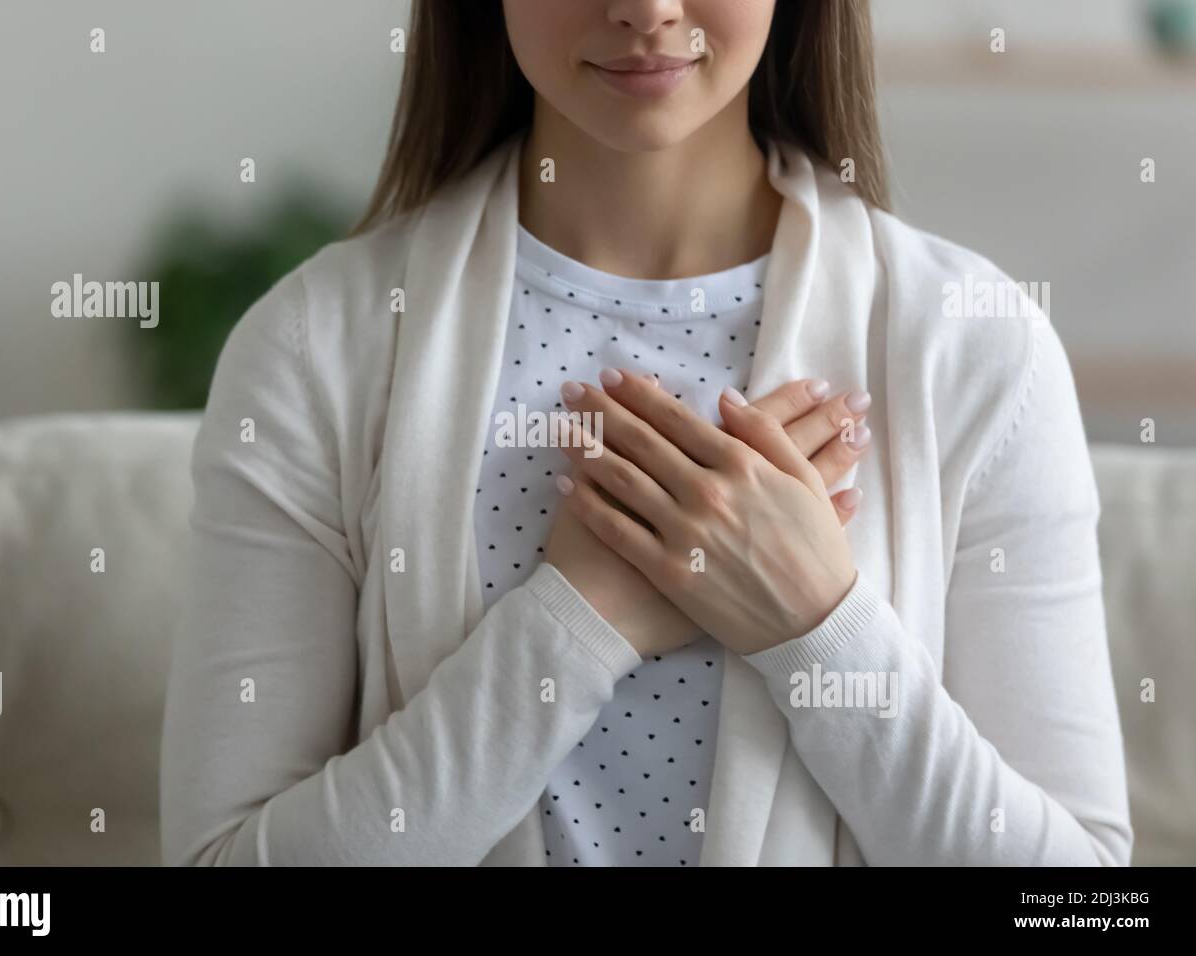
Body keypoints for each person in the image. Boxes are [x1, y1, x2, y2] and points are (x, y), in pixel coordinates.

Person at [160, 0, 1132, 866]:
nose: (646, 11)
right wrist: (580, 619)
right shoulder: (313, 347)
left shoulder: (974, 348)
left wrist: (814, 625)